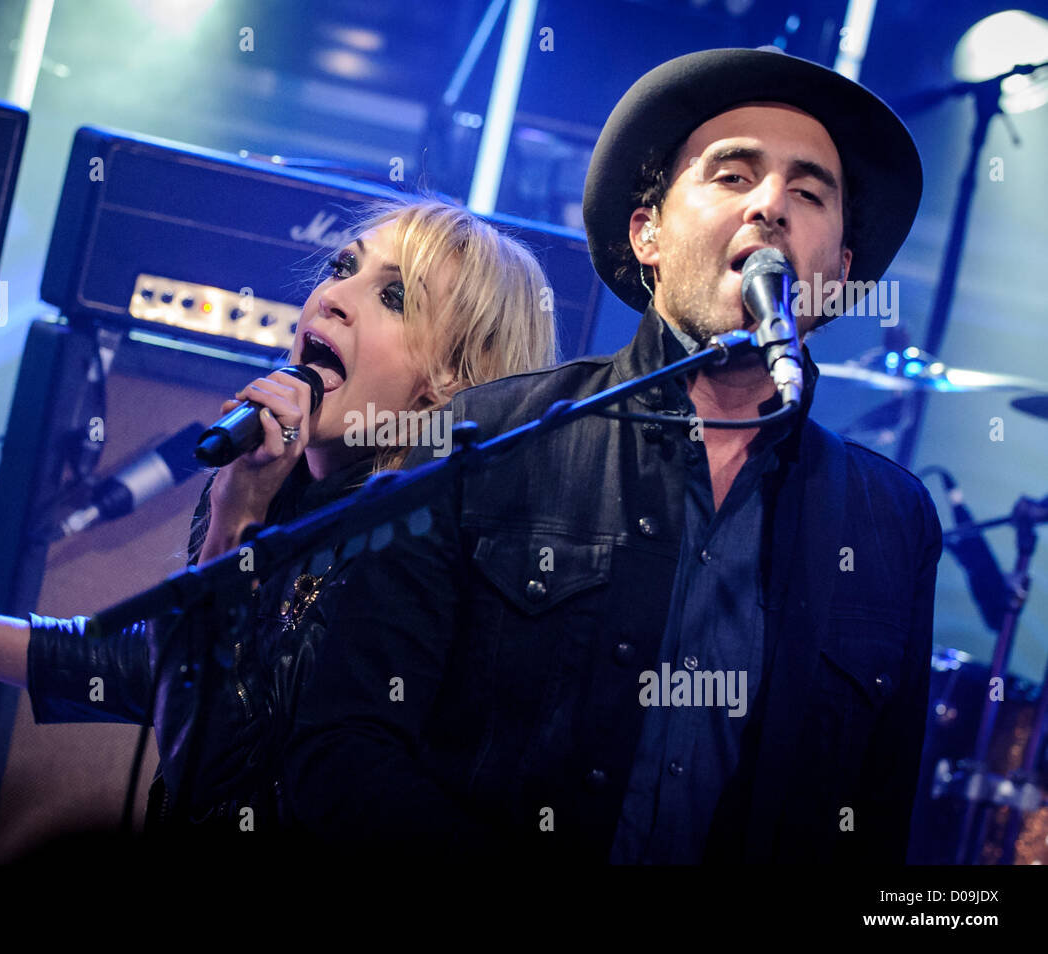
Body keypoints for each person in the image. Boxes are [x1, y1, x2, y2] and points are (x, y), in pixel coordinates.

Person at [284, 47, 942, 864]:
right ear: (649, 233)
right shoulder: (483, 439)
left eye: (808, 192)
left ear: (839, 279)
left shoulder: (892, 520)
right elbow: (340, 750)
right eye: (734, 176)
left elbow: (876, 828)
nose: (772, 204)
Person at [0, 197, 558, 848]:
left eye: (394, 297)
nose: (332, 297)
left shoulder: (417, 555)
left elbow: (214, 762)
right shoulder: (272, 486)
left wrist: (237, 515)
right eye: (341, 268)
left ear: (449, 383)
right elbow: (164, 673)